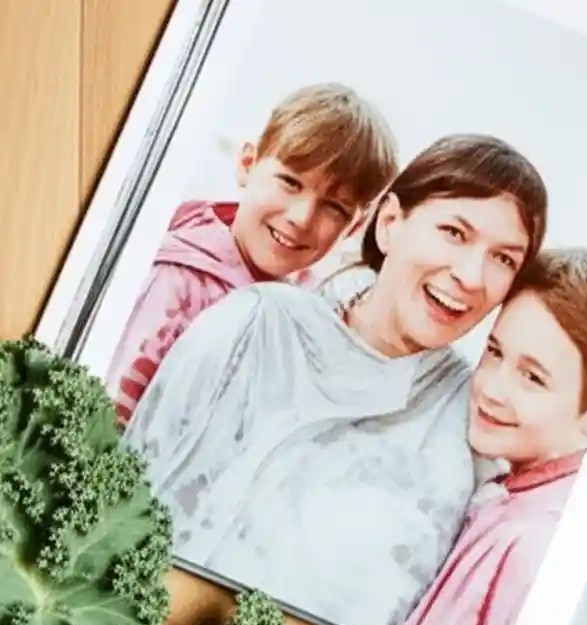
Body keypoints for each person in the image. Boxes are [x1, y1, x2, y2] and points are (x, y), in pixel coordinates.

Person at [121, 133, 548, 625]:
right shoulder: (258, 323)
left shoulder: (473, 428)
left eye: (504, 258)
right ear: (389, 223)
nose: (471, 275)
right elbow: (126, 496)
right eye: (454, 232)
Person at [388, 247, 587, 625]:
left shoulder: (534, 543)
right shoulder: (523, 497)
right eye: (495, 352)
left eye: (532, 377)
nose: (491, 387)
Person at [104, 82, 399, 425]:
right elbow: (110, 411)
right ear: (247, 164)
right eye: (290, 182)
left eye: (333, 207)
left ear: (352, 227)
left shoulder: (314, 314)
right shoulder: (177, 281)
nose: (301, 218)